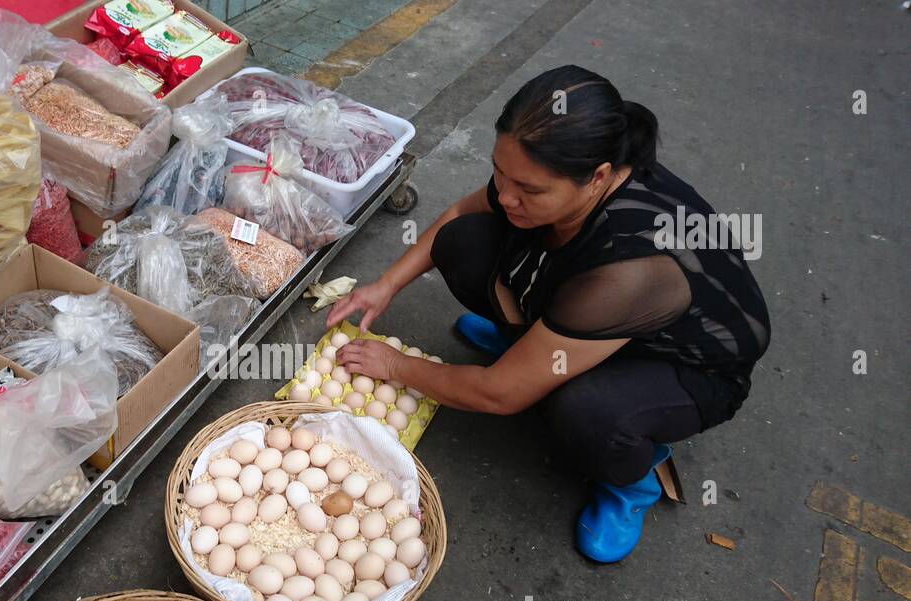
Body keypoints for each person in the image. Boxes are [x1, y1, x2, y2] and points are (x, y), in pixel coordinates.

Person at [328, 65, 771, 563]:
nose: (506, 194)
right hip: (586, 312)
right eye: (499, 171)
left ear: (598, 177)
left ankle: (634, 480)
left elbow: (498, 396)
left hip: (686, 366)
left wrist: (395, 366)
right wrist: (385, 285)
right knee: (464, 243)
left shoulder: (631, 269)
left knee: (585, 410)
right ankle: (533, 352)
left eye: (530, 190)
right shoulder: (540, 176)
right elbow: (459, 216)